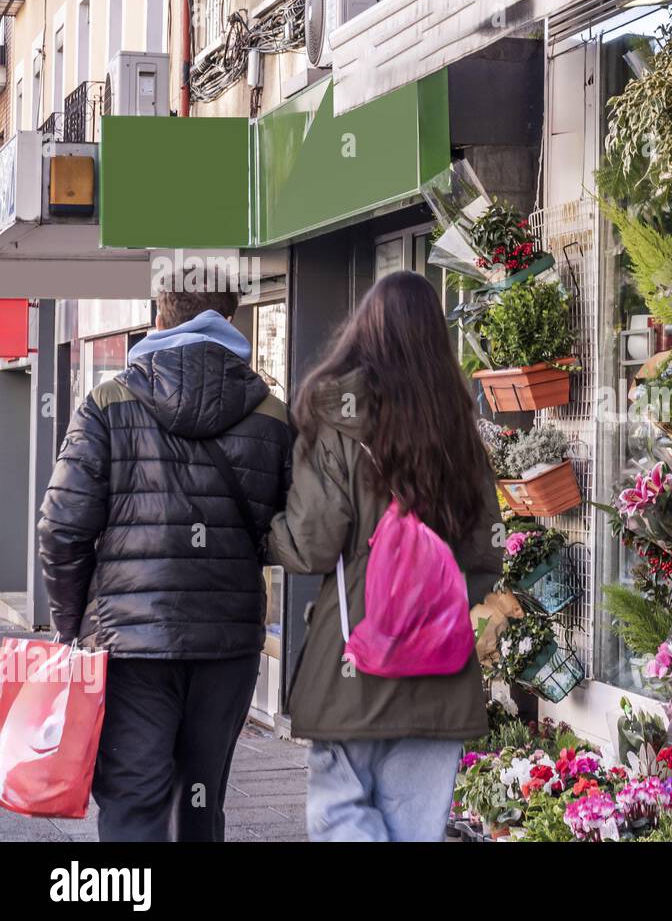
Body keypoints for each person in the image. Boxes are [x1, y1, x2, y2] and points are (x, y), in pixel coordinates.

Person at [37, 288, 294, 842]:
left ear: (157, 318)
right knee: (201, 801)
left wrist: (72, 624)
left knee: (132, 798)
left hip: (130, 647)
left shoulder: (107, 401)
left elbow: (61, 527)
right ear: (229, 320)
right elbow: (297, 527)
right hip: (227, 645)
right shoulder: (273, 414)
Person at [267, 270, 501, 842]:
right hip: (440, 669)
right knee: (417, 828)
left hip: (356, 663)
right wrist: (438, 609)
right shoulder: (460, 432)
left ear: (365, 333)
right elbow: (484, 552)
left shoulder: (336, 419)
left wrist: (264, 531)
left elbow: (314, 542)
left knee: (338, 808)